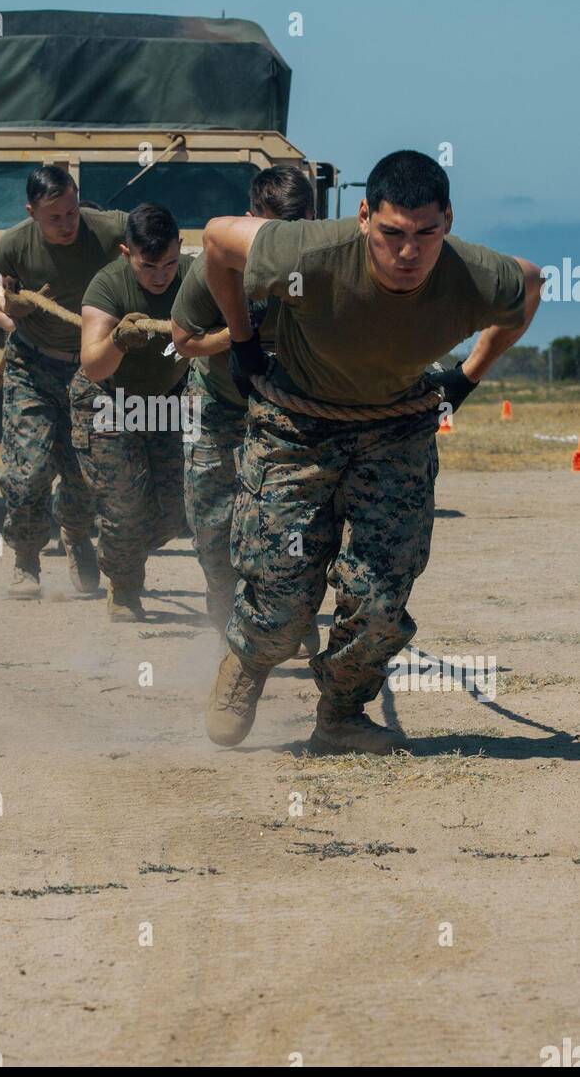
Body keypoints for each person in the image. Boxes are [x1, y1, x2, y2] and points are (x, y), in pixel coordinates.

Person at [200, 150, 542, 753]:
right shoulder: (307, 253)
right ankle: (249, 664)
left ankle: (339, 715)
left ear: (448, 223)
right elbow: (217, 240)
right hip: (296, 428)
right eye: (391, 234)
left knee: (380, 597)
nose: (408, 253)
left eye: (425, 235)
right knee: (282, 599)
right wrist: (244, 342)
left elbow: (531, 284)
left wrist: (467, 377)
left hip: (396, 431)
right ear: (363, 217)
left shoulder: (474, 275)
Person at [171, 165, 320, 637]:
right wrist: (238, 341)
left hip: (289, 408)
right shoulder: (214, 262)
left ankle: (290, 618)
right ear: (249, 219)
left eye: (295, 231)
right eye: (271, 232)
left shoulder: (328, 257)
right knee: (214, 531)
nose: (283, 245)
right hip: (217, 402)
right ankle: (226, 619)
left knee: (289, 525)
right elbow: (183, 340)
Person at [0, 168, 128, 599]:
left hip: (92, 371)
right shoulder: (13, 246)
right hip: (32, 367)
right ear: (32, 213)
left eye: (71, 212)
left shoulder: (110, 230)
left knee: (84, 474)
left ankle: (77, 536)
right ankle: (26, 560)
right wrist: (12, 312)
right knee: (28, 471)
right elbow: (0, 307)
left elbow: (157, 245)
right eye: (54, 218)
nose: (67, 224)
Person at [71, 203, 195, 622]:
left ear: (181, 248)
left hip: (165, 402)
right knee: (125, 510)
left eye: (170, 264)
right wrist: (120, 341)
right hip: (107, 401)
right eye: (149, 267)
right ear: (127, 253)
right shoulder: (105, 288)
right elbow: (94, 365)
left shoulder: (196, 280)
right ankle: (123, 588)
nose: (161, 276)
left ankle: (104, 536)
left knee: (171, 516)